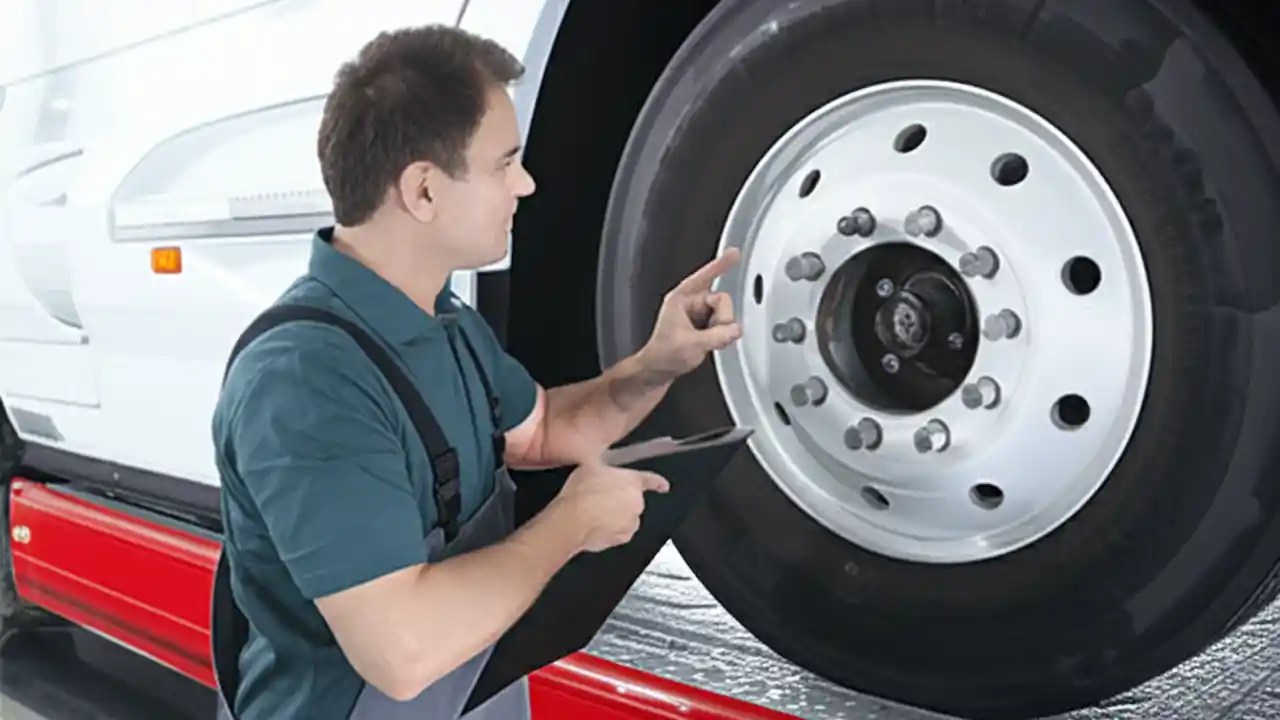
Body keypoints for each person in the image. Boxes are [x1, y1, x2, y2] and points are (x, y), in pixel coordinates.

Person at [209, 23, 742, 720]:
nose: (526, 184)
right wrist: (571, 524)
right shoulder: (308, 382)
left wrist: (655, 364)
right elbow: (402, 652)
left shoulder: (447, 326)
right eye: (504, 163)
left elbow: (545, 427)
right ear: (423, 192)